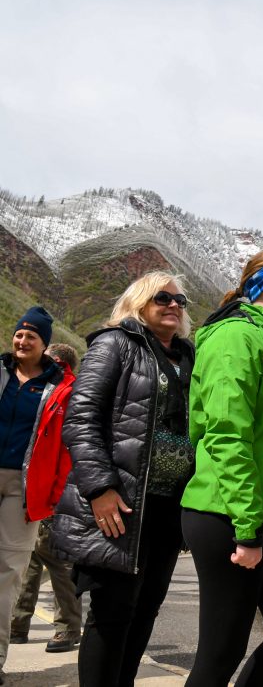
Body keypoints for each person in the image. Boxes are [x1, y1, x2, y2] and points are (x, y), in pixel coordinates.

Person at [50, 272, 196, 687]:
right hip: (122, 502)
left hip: (169, 506)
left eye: (179, 300)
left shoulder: (189, 356)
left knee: (147, 609)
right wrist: (100, 488)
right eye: (161, 297)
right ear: (138, 302)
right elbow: (80, 419)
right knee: (113, 613)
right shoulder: (114, 344)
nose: (173, 305)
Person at [181, 248, 263, 686]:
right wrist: (246, 527)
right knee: (221, 652)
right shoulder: (234, 337)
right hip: (228, 512)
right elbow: (226, 436)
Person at [0, 307, 75, 683]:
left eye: (31, 336)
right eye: (18, 334)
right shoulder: (0, 374)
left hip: (24, 488)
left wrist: (52, 492)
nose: (22, 341)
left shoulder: (60, 387)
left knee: (8, 574)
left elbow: (67, 447)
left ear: (44, 344)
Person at [10, 343, 84, 654]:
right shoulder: (49, 390)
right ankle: (18, 624)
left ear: (59, 363)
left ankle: (67, 627)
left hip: (56, 492)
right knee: (30, 560)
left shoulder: (66, 393)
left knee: (56, 560)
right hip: (36, 489)